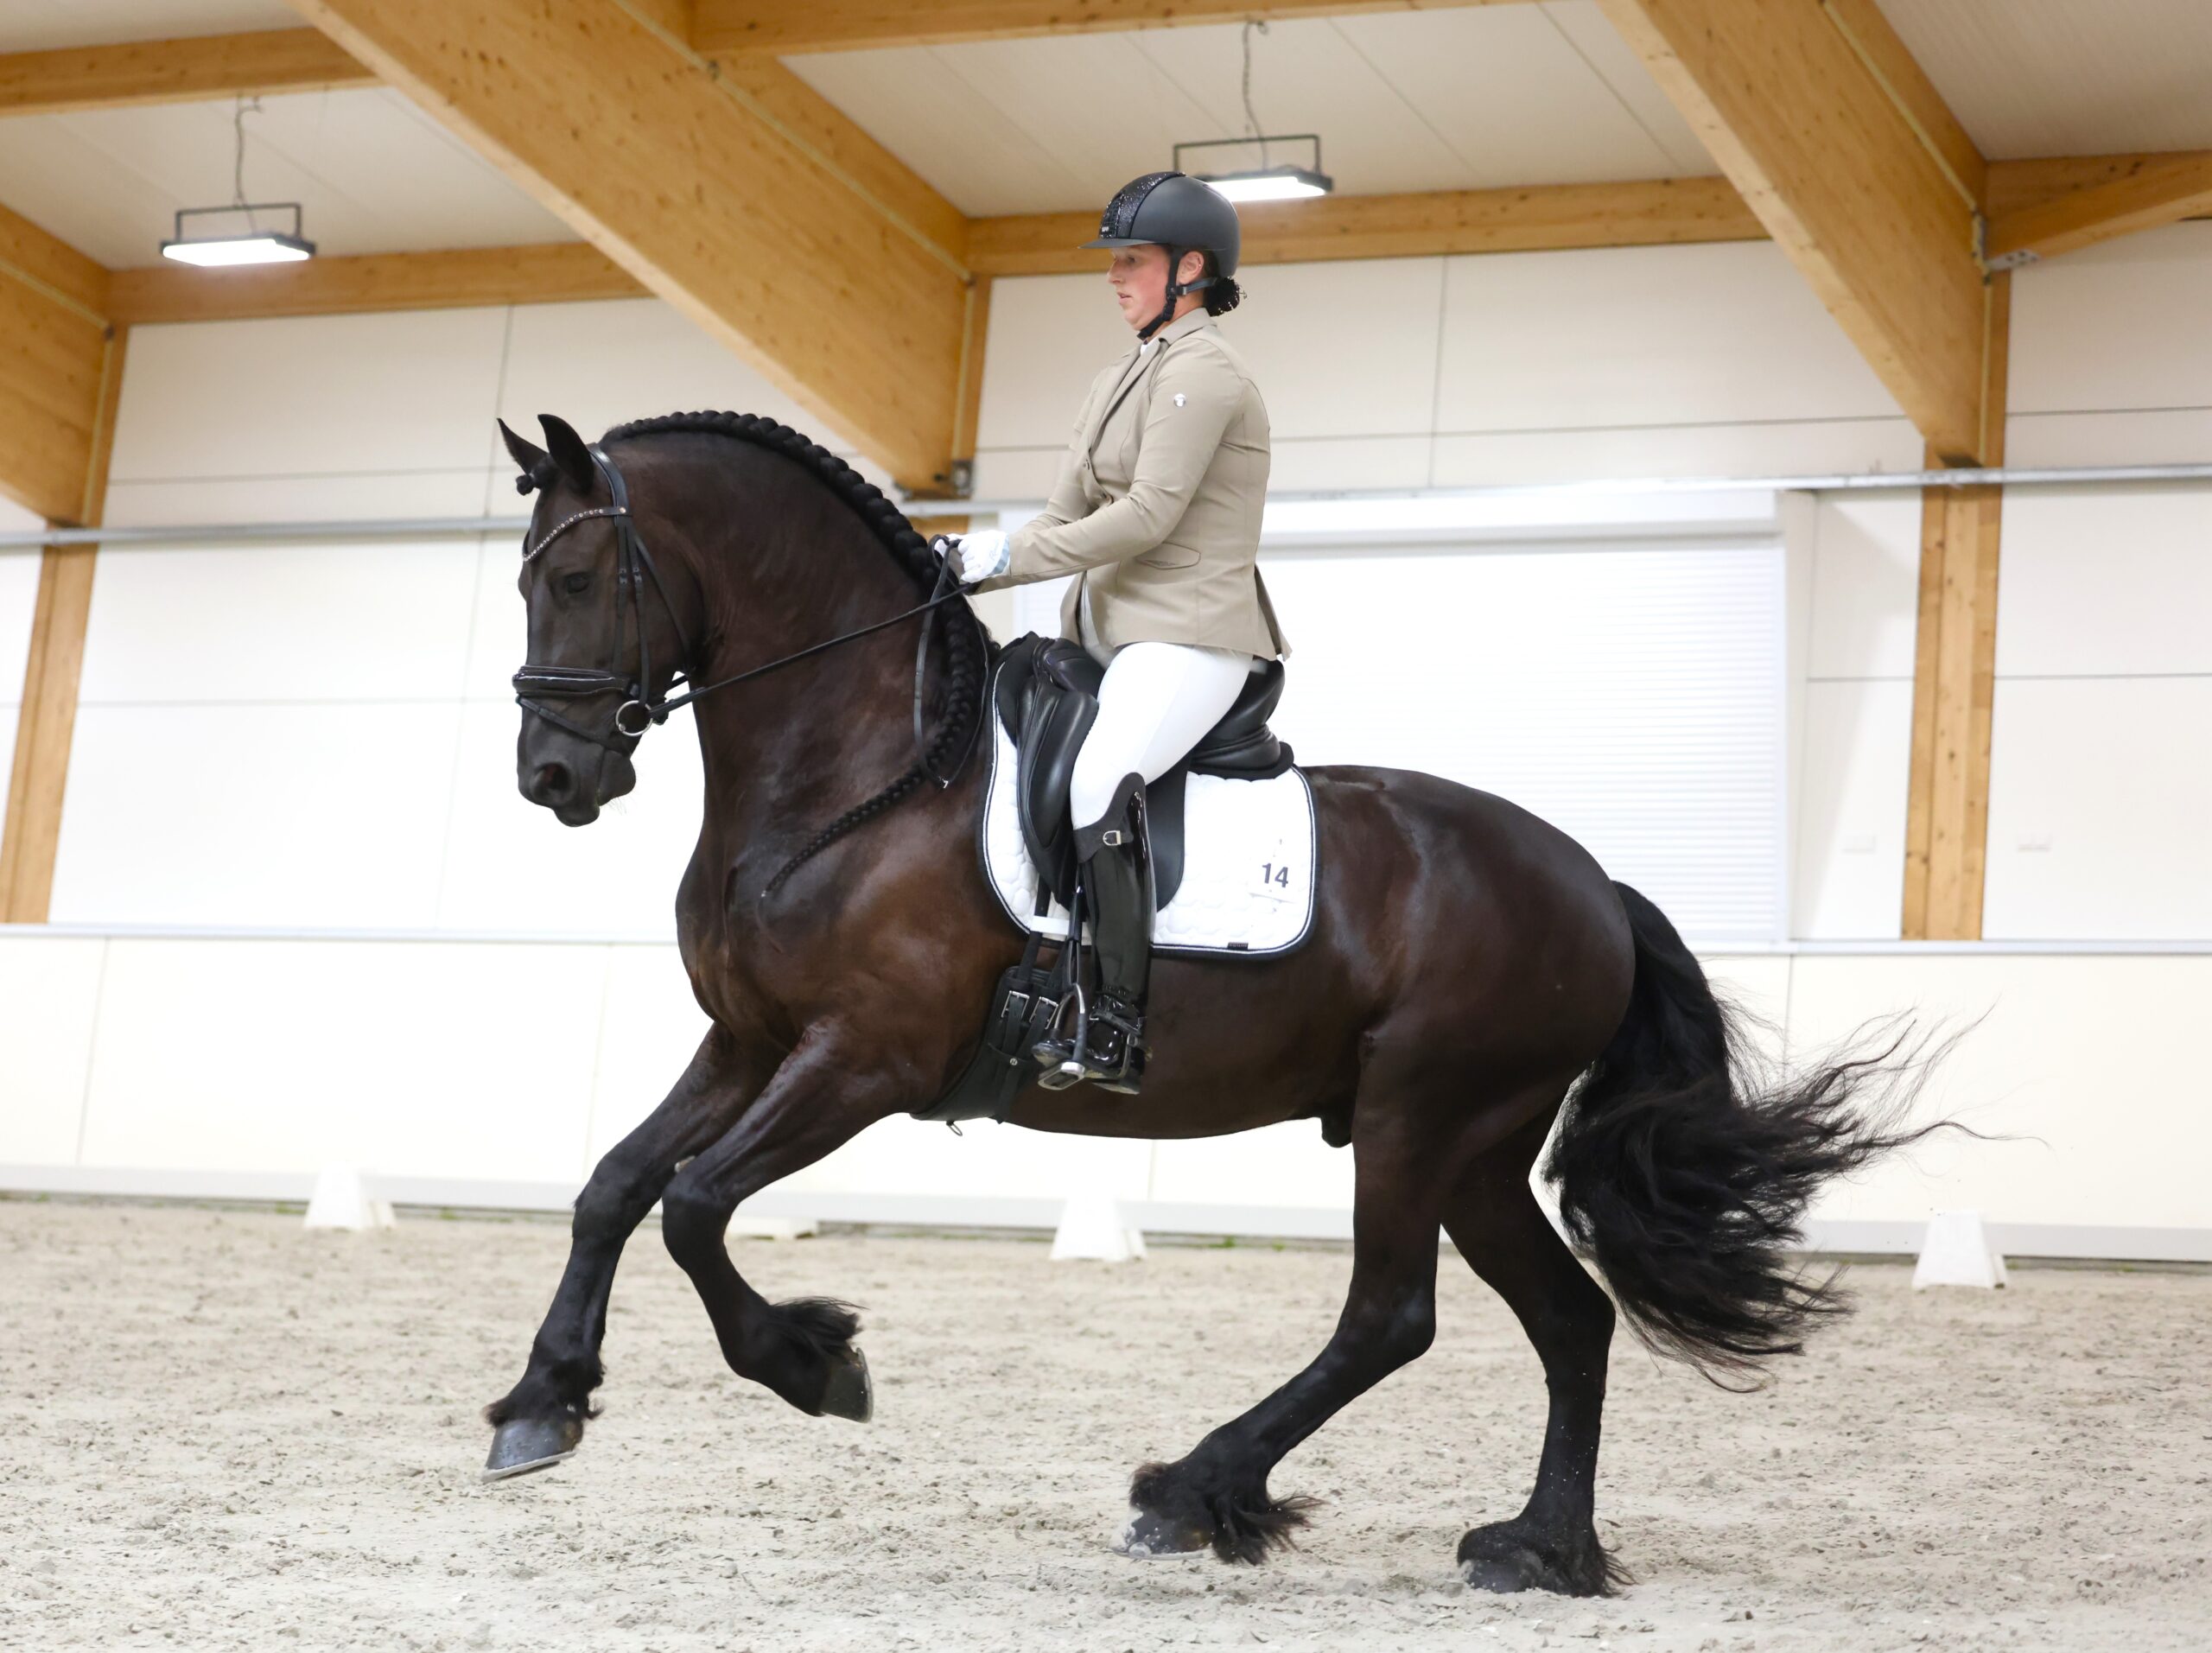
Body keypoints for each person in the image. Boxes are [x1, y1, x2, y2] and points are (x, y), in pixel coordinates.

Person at [941, 170, 1289, 1096]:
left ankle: (1116, 1021)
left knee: (1101, 776)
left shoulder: (1207, 373)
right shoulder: (1117, 377)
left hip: (1189, 636)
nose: (1114, 276)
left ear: (1191, 268)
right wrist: (977, 555)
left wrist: (997, 559)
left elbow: (1145, 517)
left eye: (1130, 260)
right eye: (1115, 261)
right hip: (1103, 636)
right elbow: (1063, 512)